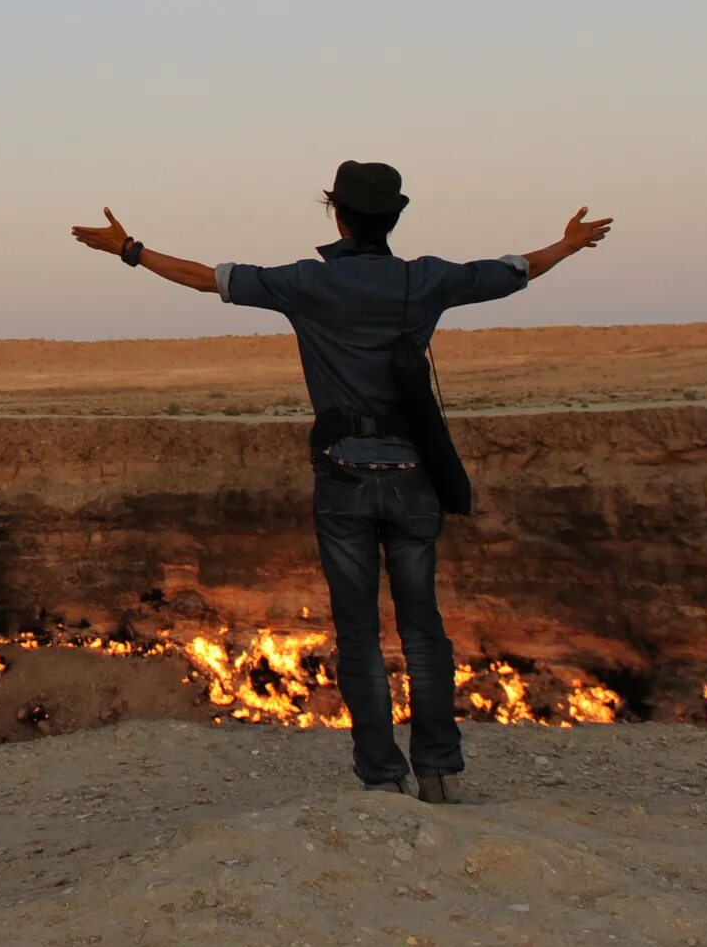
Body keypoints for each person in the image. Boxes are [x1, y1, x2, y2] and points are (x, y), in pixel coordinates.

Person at [71, 162, 612, 802]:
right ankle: (438, 774)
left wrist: (131, 251)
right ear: (394, 218)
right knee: (424, 631)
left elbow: (207, 279)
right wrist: (569, 245)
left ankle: (382, 780)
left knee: (358, 634)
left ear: (339, 215)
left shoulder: (308, 285)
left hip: (344, 479)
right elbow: (512, 272)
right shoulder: (425, 279)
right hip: (412, 476)